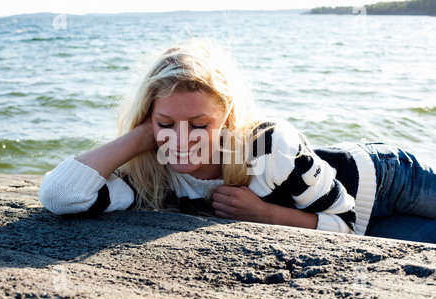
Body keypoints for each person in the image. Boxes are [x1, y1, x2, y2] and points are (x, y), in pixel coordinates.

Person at [39, 39, 436, 243]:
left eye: (199, 124)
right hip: (333, 223)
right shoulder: (150, 174)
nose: (181, 140)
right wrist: (143, 134)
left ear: (229, 118)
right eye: (166, 121)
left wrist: (264, 215)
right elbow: (60, 195)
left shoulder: (268, 145)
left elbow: (345, 221)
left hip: (383, 181)